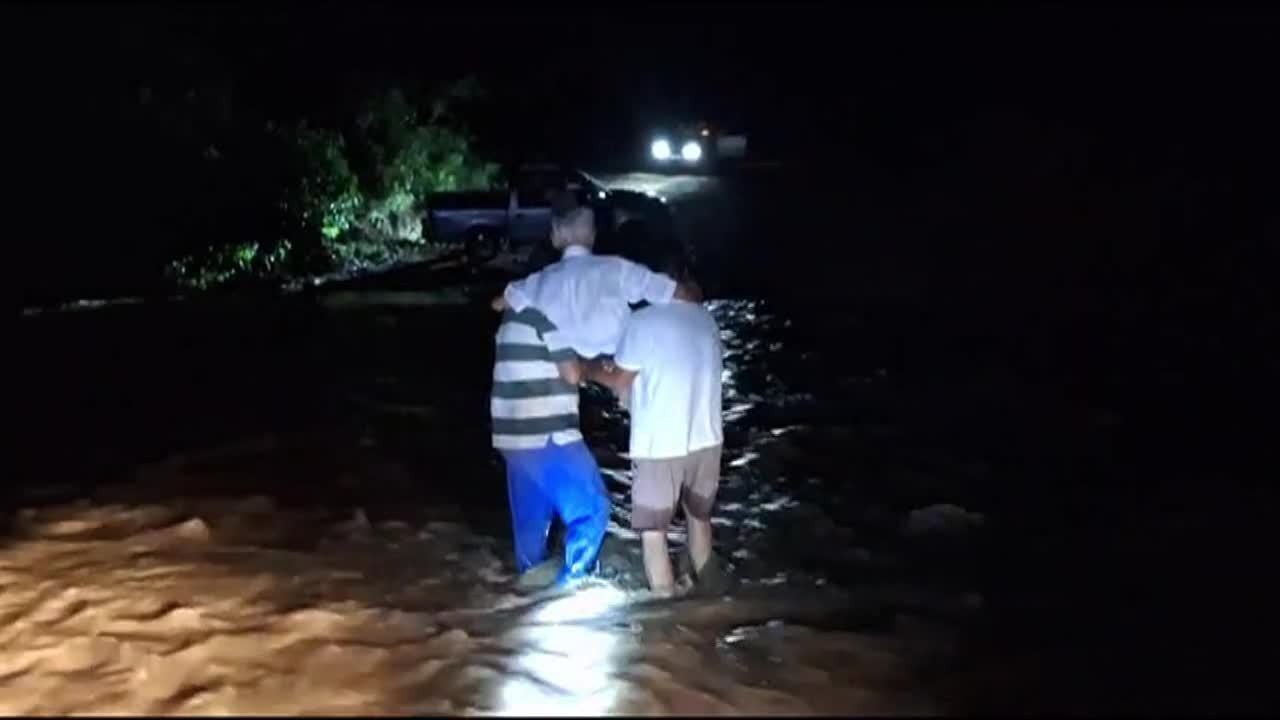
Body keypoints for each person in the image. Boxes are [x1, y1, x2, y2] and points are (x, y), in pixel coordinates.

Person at [584, 253, 729, 596]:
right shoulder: (706, 319)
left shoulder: (644, 321)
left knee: (654, 535)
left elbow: (620, 380)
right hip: (707, 441)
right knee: (700, 521)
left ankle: (666, 617)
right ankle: (714, 596)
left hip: (660, 446)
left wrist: (587, 368)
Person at [490, 304, 608, 591]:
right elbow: (571, 372)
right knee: (593, 510)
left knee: (531, 526)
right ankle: (571, 588)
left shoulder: (512, 316)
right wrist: (598, 369)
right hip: (547, 436)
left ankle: (527, 592)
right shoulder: (550, 312)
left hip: (511, 437)